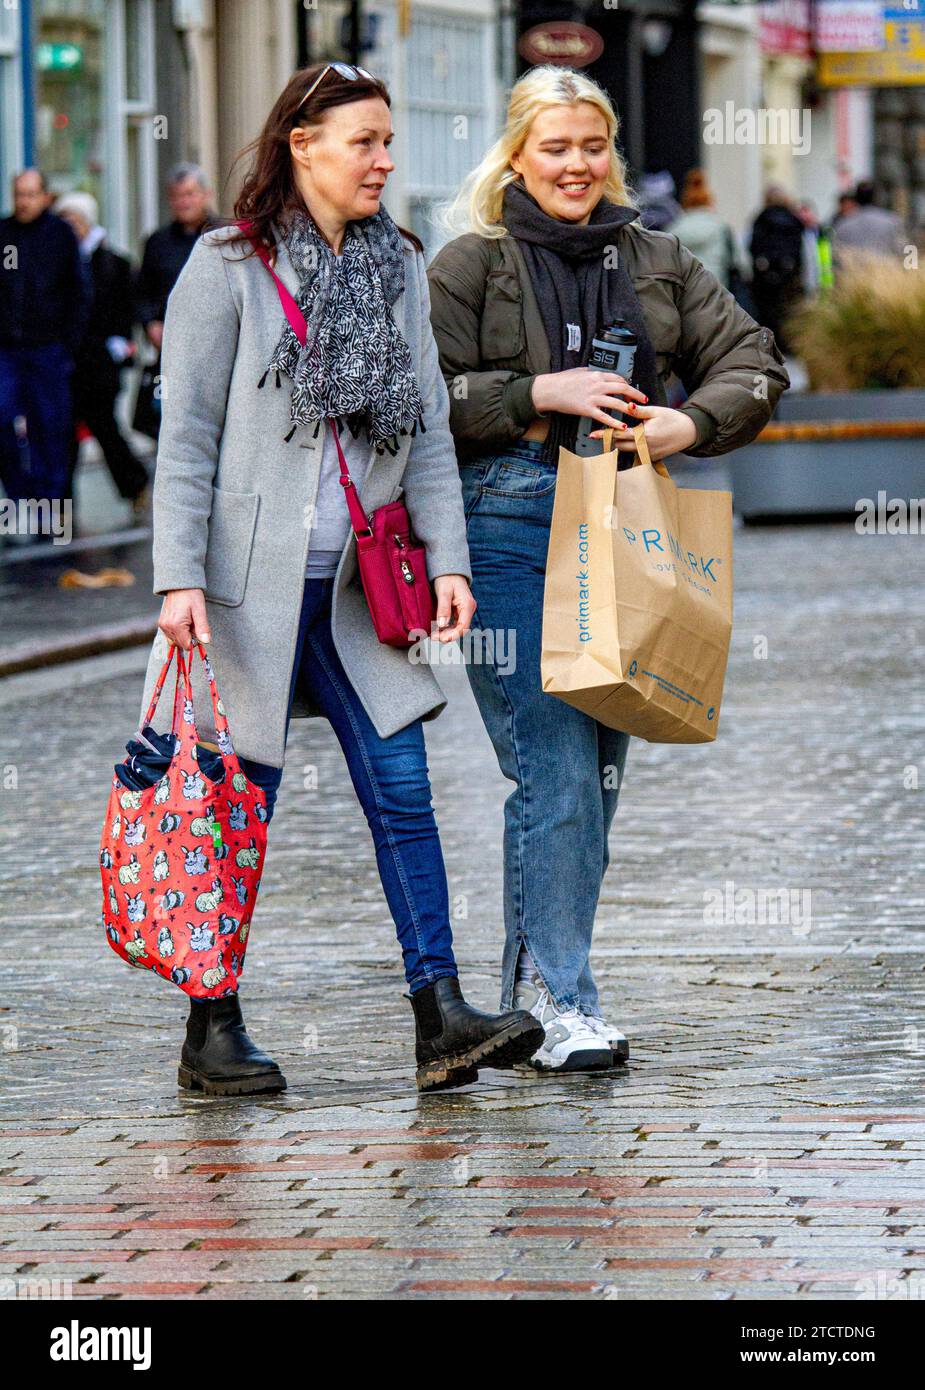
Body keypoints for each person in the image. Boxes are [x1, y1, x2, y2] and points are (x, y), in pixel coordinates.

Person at [135, 62, 544, 1098]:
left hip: (364, 586)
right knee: (235, 806)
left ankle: (439, 1014)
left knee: (403, 790)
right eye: (363, 141)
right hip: (243, 591)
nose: (384, 160)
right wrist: (177, 575)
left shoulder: (397, 267)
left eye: (386, 140)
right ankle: (211, 1025)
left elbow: (427, 437)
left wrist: (448, 557)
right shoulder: (223, 267)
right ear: (301, 144)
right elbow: (184, 437)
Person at [427, 65, 789, 1073]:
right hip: (506, 526)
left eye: (591, 146)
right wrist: (536, 390)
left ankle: (524, 996)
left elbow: (756, 362)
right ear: (517, 155)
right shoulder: (469, 262)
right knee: (551, 770)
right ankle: (560, 997)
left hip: (627, 528)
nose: (576, 164)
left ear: (610, 152)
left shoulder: (660, 258)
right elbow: (417, 407)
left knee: (593, 776)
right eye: (554, 147)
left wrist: (690, 419)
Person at [0, 169, 89, 530]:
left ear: (45, 196)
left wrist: (68, 344)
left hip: (48, 348)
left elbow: (79, 292)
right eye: (19, 194)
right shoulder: (4, 233)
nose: (24, 201)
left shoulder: (60, 235)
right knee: (2, 418)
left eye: (31, 194)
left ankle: (48, 503)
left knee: (48, 427)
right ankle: (21, 494)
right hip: (7, 349)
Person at [55, 191, 150, 512]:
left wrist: (121, 342)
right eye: (64, 219)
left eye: (75, 220)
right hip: (68, 361)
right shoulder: (59, 262)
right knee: (65, 434)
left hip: (99, 365)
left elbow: (126, 308)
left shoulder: (114, 263)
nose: (70, 226)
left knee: (104, 427)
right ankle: (62, 504)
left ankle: (135, 483)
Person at [748, 185, 805, 354]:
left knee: (766, 312)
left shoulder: (760, 219)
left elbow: (752, 246)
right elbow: (799, 249)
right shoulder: (794, 220)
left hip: (764, 274)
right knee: (787, 311)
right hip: (788, 273)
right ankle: (787, 345)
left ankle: (768, 345)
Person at [832, 179, 905, 263]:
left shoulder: (842, 225)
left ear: (856, 198)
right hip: (887, 273)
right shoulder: (892, 221)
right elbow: (904, 250)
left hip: (854, 274)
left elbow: (836, 258)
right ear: (876, 197)